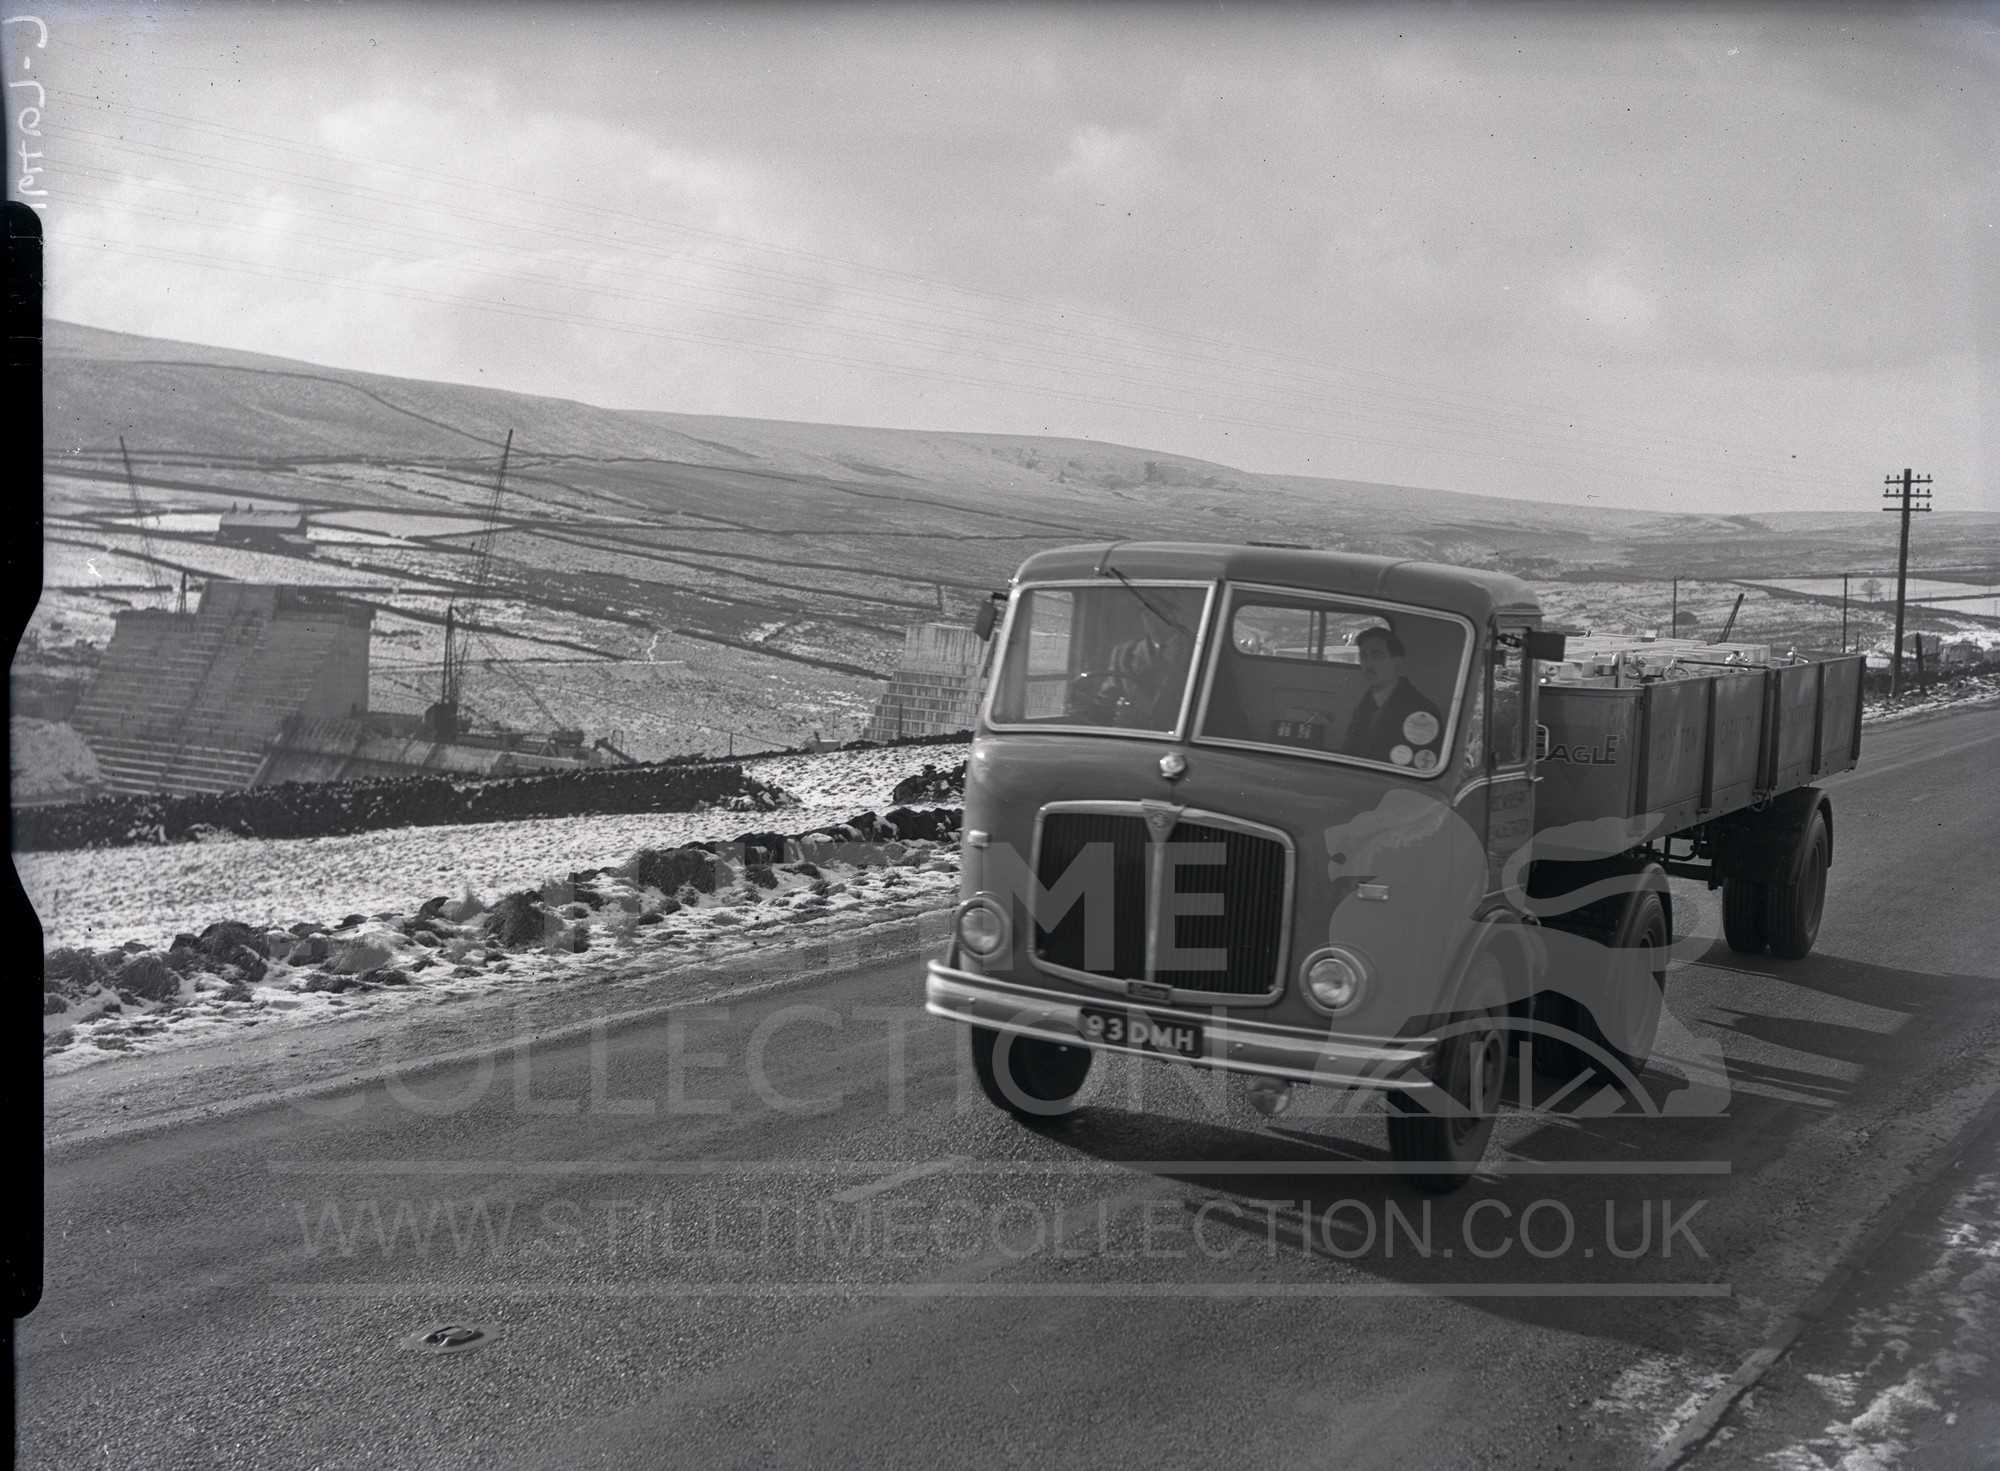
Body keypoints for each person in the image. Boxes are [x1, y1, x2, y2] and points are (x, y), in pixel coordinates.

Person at [1340, 626, 1444, 768]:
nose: (1368, 664)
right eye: (1363, 656)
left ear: (1397, 663)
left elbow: (1422, 765)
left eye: (1377, 655)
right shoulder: (1366, 702)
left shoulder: (1422, 711)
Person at [1091, 603, 1195, 727]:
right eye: (1147, 615)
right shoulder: (1124, 653)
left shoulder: (1197, 651)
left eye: (1160, 615)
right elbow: (1107, 697)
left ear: (1175, 617)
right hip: (1132, 733)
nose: (1153, 621)